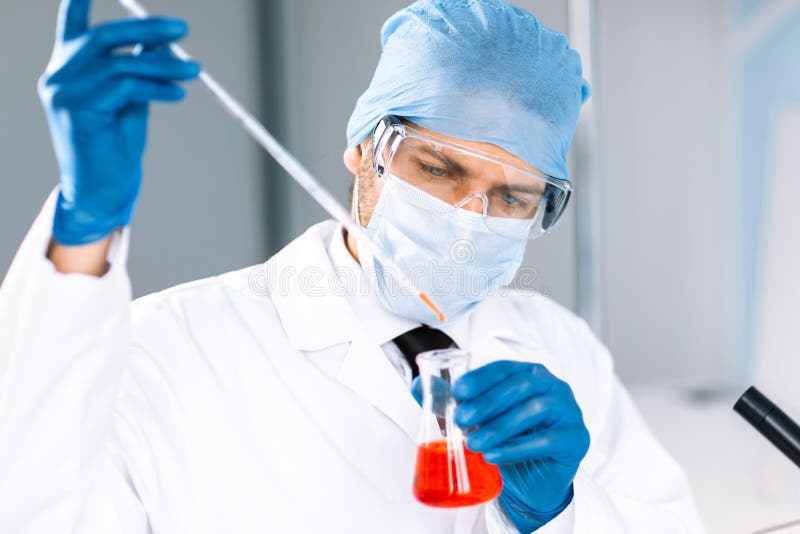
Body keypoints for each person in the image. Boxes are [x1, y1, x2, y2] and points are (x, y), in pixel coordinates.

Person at [0, 0, 706, 533]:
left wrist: (559, 514)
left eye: (513, 196)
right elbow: (35, 502)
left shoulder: (561, 348)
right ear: (364, 150)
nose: (468, 219)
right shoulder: (172, 345)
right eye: (436, 168)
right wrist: (84, 219)